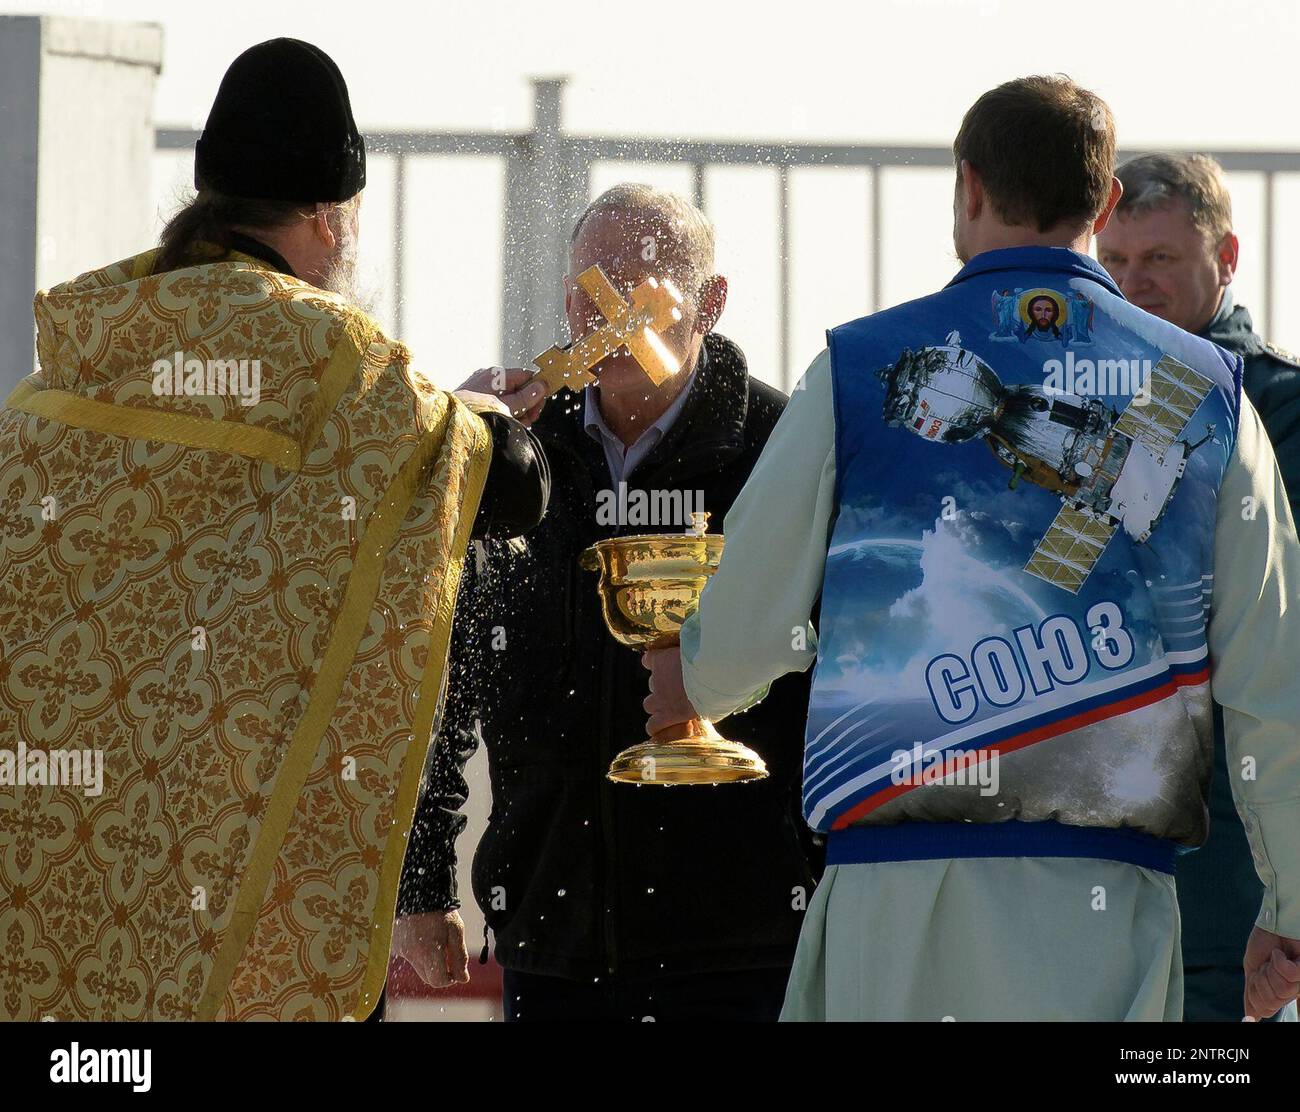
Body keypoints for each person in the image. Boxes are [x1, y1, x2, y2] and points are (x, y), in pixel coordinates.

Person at [645, 75, 1300, 1021]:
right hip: (1108, 899)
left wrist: (693, 678)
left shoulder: (857, 368)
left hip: (896, 890)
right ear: (1106, 200)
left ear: (966, 185)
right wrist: (1288, 902)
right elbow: (1273, 675)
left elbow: (749, 621)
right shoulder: (1207, 391)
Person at [0, 38, 547, 1021]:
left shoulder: (86, 351)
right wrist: (477, 421)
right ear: (331, 217)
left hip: (63, 853)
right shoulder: (333, 356)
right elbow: (514, 490)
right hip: (232, 859)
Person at [392, 184, 820, 1021]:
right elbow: (448, 665)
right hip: (554, 927)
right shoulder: (513, 456)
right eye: (591, 289)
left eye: (641, 285)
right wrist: (422, 879)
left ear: (711, 303)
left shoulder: (782, 447)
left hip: (744, 933)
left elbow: (831, 666)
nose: (612, 312)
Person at [1098, 151, 1300, 1021]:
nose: (1133, 285)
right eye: (1114, 263)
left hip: (1232, 844)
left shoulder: (1281, 412)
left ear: (1228, 258)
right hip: (1089, 824)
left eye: (1160, 262)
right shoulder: (1078, 396)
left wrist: (1288, 899)